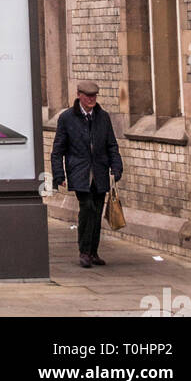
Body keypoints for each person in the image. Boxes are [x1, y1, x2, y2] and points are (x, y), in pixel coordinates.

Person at [51, 80, 124, 268]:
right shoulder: (67, 118)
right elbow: (58, 149)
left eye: (94, 96)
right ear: (79, 95)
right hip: (79, 172)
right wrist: (59, 175)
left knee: (97, 211)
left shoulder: (103, 117)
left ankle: (93, 252)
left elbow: (111, 145)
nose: (91, 99)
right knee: (87, 208)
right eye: (88, 96)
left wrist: (117, 168)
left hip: (100, 172)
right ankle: (84, 251)